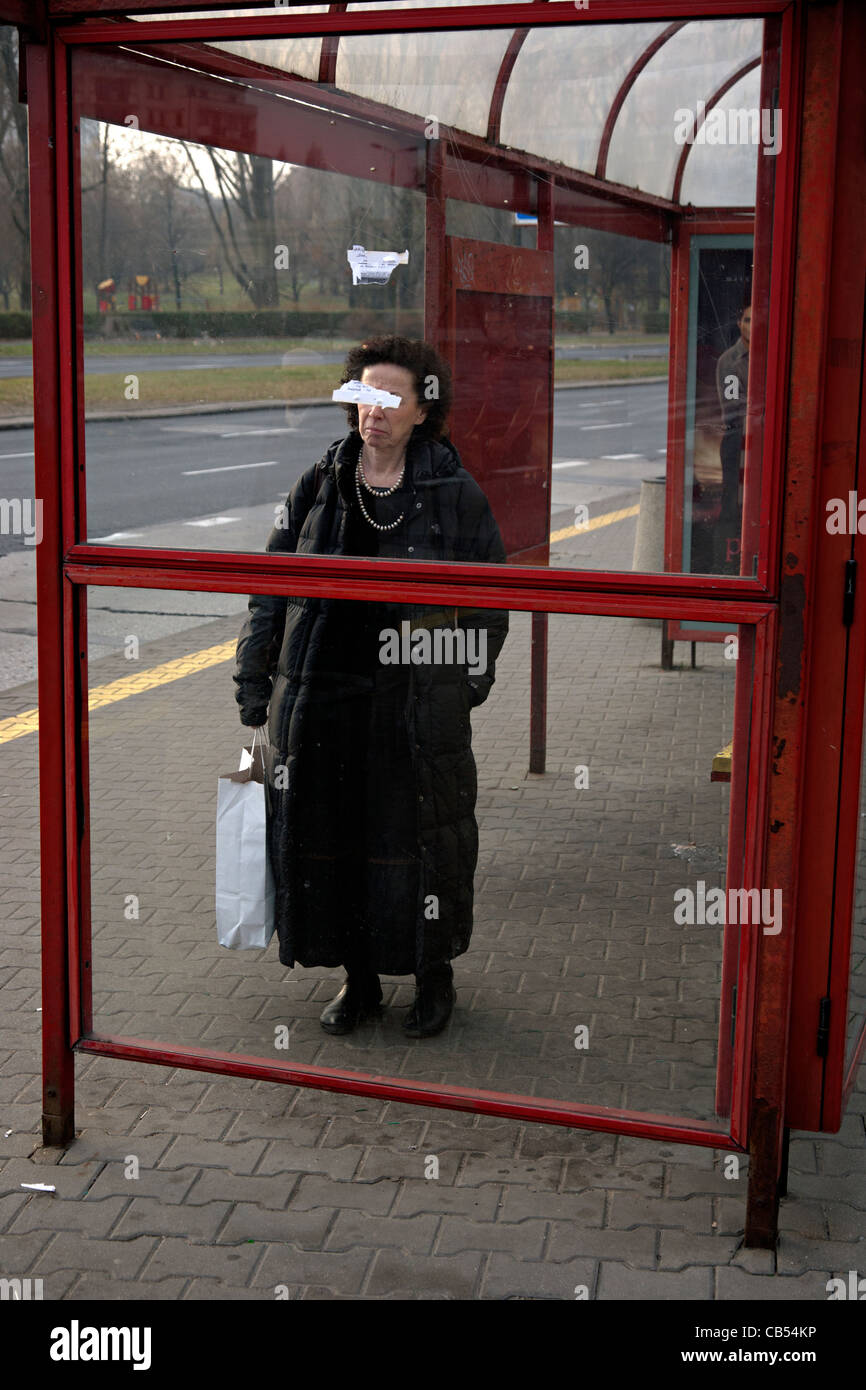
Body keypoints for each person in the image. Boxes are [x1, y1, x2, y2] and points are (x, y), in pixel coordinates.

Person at [233, 336, 509, 1039]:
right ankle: (358, 980)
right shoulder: (320, 481)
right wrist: (255, 675)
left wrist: (464, 686)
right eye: (363, 395)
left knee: (417, 842)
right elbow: (273, 584)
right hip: (325, 698)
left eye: (390, 398)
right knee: (335, 838)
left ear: (423, 410)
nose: (373, 411)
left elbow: (490, 602)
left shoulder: (454, 493)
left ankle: (431, 975)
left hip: (411, 703)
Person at [715, 302, 751, 524]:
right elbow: (733, 406)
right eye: (747, 320)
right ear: (739, 324)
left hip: (758, 437)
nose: (752, 325)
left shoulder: (772, 355)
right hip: (737, 439)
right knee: (732, 501)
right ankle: (727, 550)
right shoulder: (729, 360)